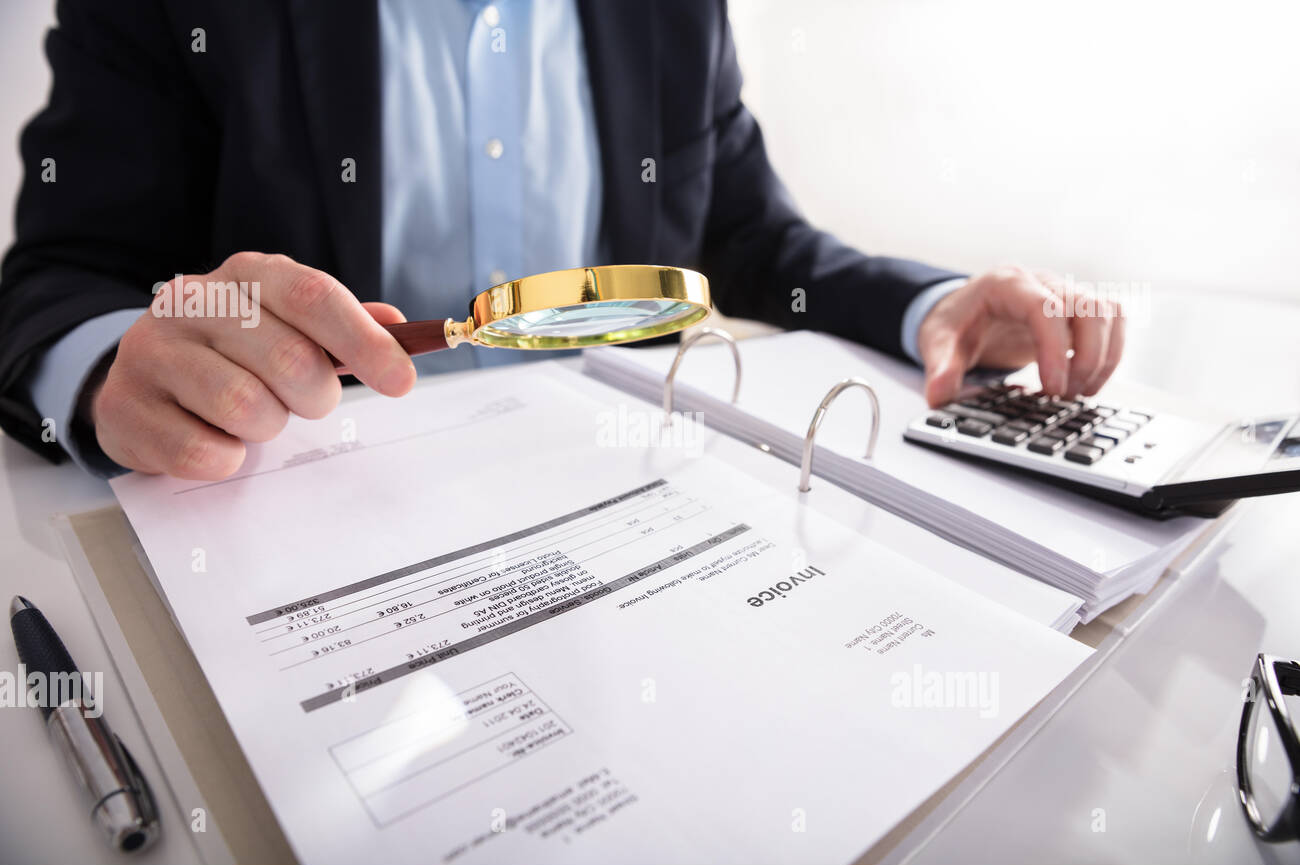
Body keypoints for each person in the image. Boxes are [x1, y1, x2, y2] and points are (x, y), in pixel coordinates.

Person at [0, 0, 1124, 479]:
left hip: (625, 520)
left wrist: (929, 305)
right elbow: (58, 279)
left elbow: (744, 232)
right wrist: (110, 365)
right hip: (292, 540)